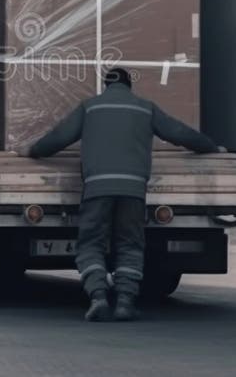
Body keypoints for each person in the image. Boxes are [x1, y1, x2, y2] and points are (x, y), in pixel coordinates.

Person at [19, 66, 222, 322]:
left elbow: (58, 138)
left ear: (105, 85)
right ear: (129, 86)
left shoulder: (90, 107)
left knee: (90, 243)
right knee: (130, 245)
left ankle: (98, 297)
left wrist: (33, 151)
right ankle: (125, 301)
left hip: (97, 189)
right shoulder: (145, 108)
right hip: (133, 190)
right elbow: (179, 133)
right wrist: (210, 146)